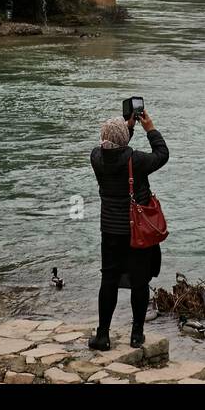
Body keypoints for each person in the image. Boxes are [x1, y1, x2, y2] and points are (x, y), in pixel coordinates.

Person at [88, 109, 169, 350]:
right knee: (140, 282)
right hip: (138, 233)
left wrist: (127, 127)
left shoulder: (96, 158)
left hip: (110, 231)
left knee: (109, 280)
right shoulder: (137, 161)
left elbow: (117, 147)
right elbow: (162, 154)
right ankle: (137, 335)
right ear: (125, 140)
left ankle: (103, 336)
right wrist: (150, 128)